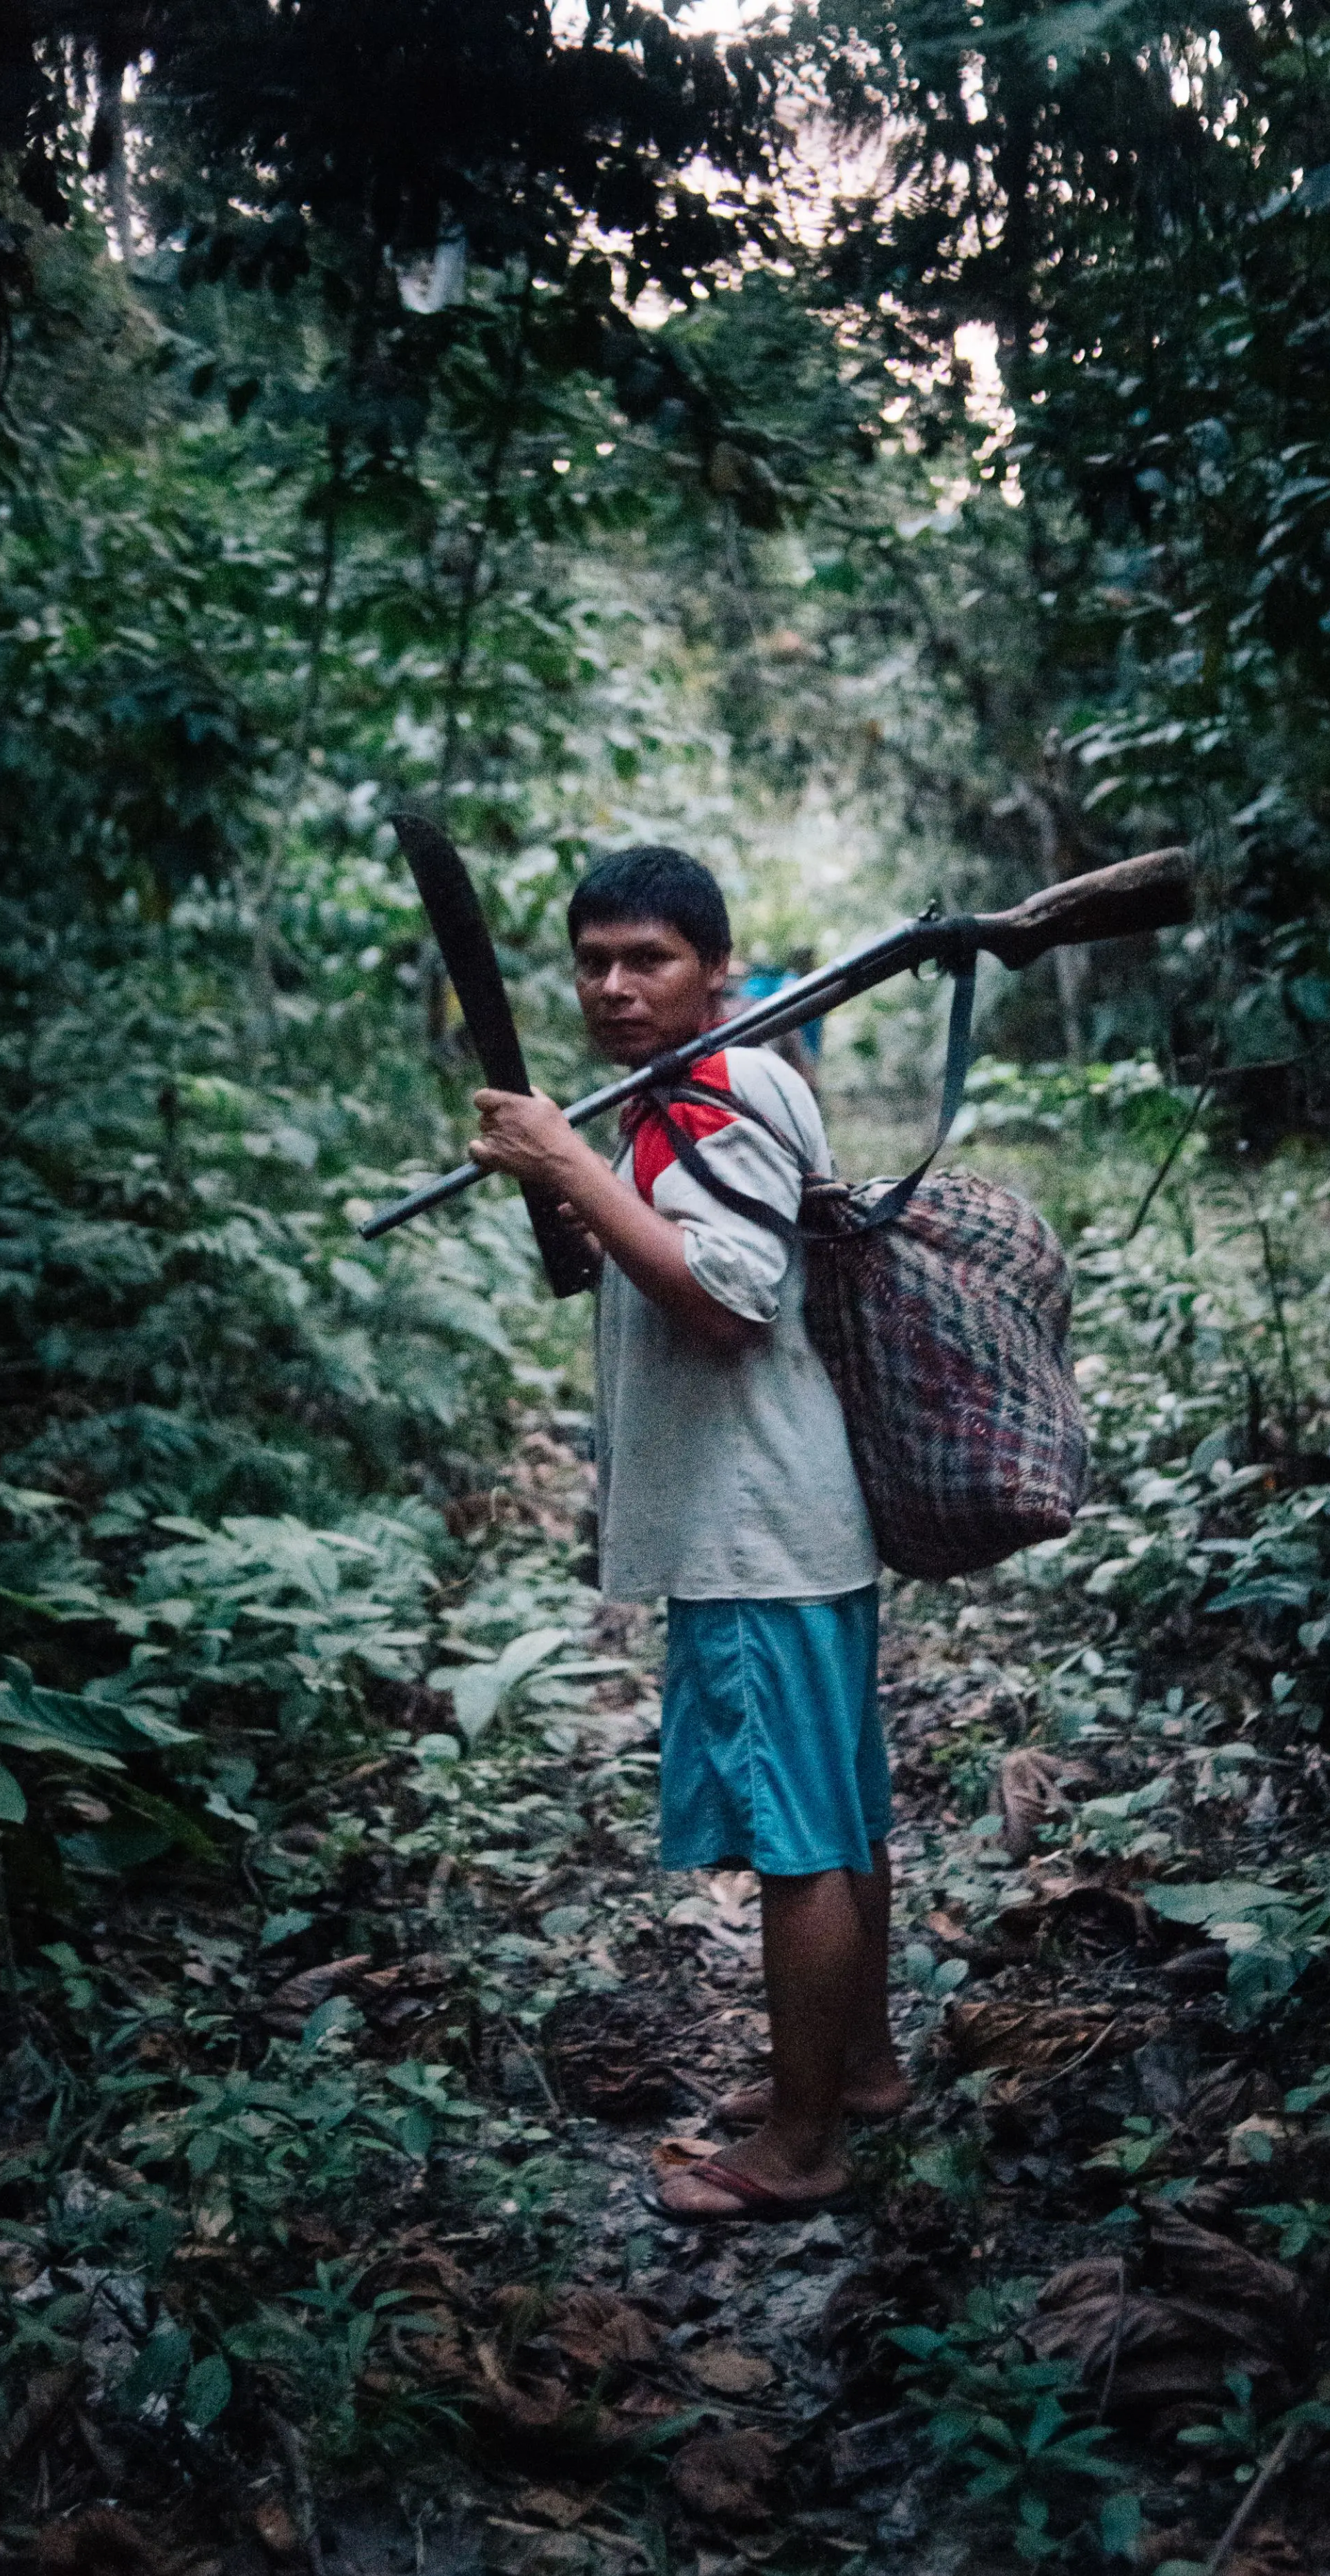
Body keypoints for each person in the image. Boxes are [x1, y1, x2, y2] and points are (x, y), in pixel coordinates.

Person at [466, 844, 908, 2221]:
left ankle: (798, 2144)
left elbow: (726, 1302)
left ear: (716, 969)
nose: (611, 986)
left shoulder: (717, 1088)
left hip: (755, 1527)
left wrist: (560, 1161)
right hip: (787, 1513)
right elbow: (674, 1256)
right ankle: (861, 2069)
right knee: (835, 1811)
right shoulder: (684, 1095)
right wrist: (574, 1190)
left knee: (796, 1837)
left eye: (645, 958)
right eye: (591, 960)